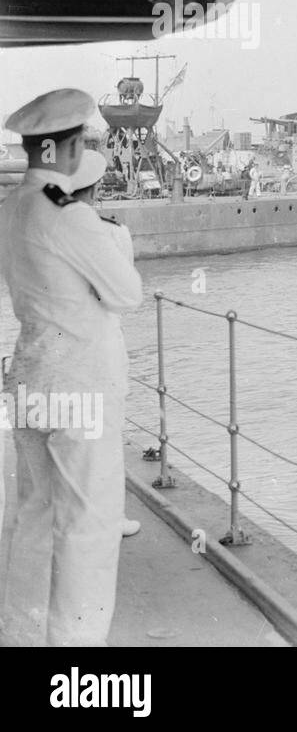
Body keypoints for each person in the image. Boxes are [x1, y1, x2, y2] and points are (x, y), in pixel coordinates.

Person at [0, 89, 143, 646]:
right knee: (89, 526)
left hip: (30, 379)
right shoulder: (68, 213)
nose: (84, 152)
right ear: (58, 149)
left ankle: (20, 637)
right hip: (80, 389)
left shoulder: (11, 208)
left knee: (34, 514)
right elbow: (126, 293)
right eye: (80, 143)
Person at [65, 149, 141, 540]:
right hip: (101, 346)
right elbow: (123, 298)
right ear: (95, 190)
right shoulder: (113, 232)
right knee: (106, 436)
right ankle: (107, 521)